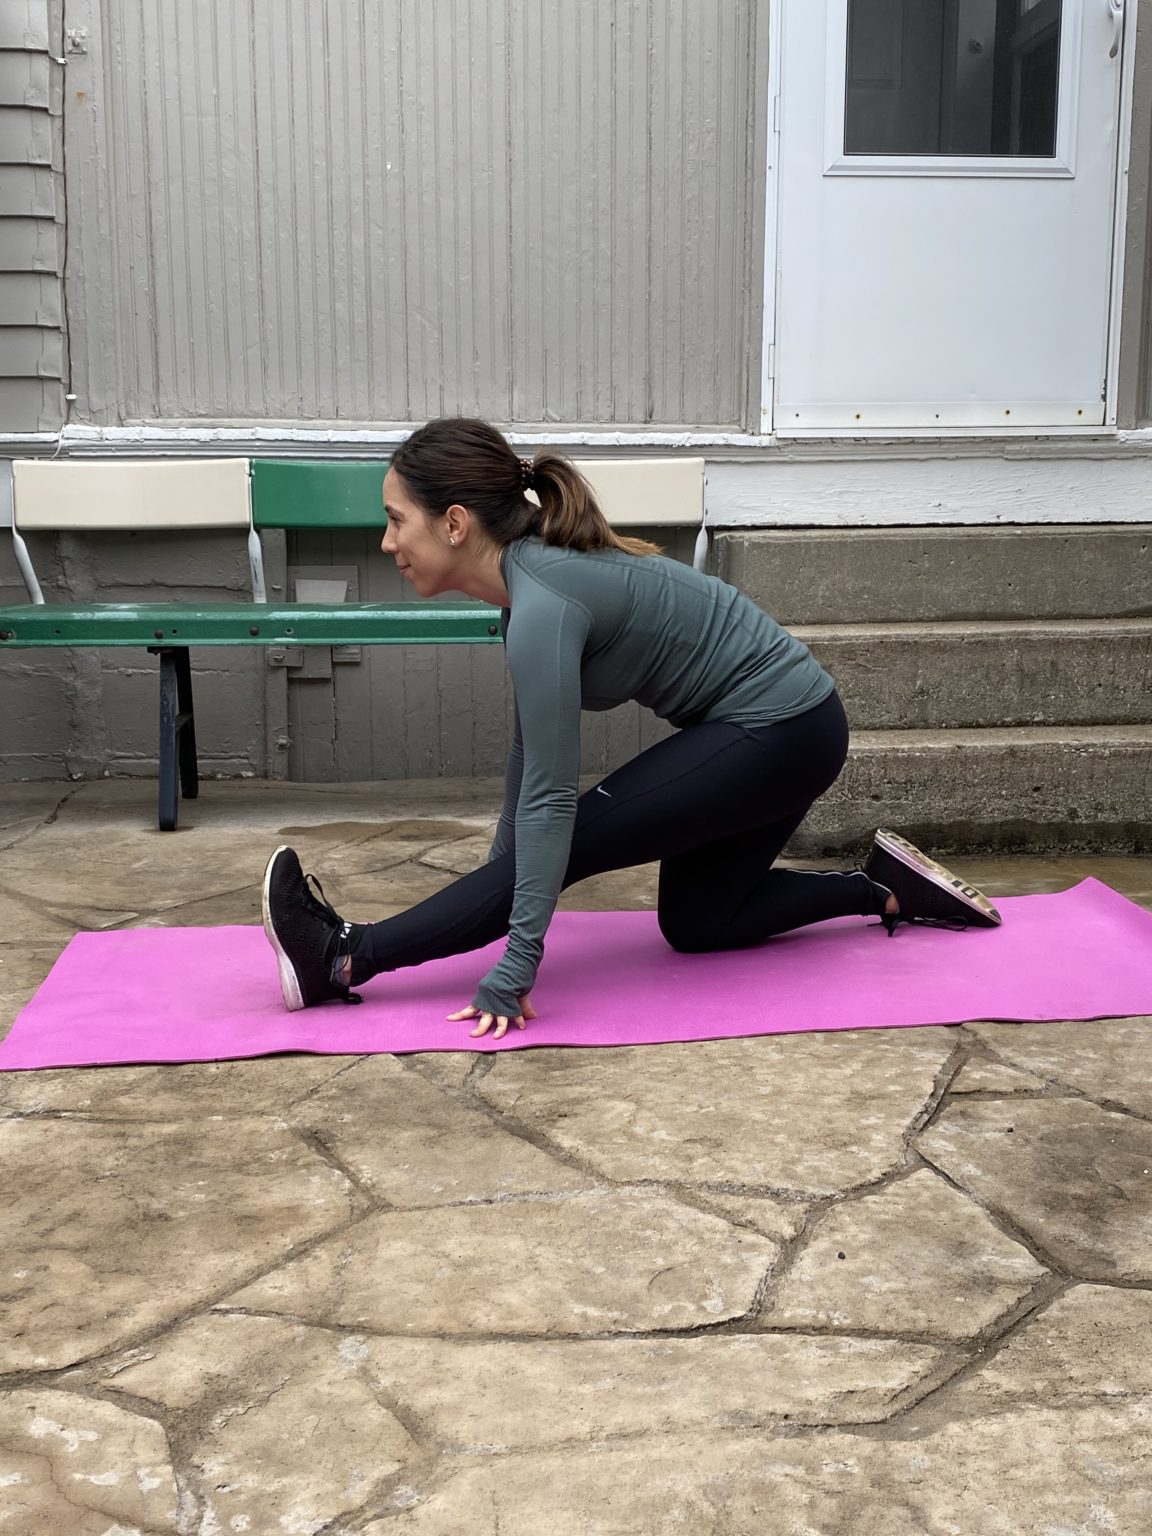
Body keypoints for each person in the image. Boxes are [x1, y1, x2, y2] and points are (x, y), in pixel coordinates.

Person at [262, 418, 999, 1039]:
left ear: (454, 523)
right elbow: (530, 747)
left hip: (782, 727)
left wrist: (517, 957)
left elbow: (551, 804)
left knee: (570, 838)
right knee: (699, 923)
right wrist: (500, 876)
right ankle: (884, 892)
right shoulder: (528, 594)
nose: (387, 542)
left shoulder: (545, 601)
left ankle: (343, 956)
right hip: (776, 728)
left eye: (396, 520)